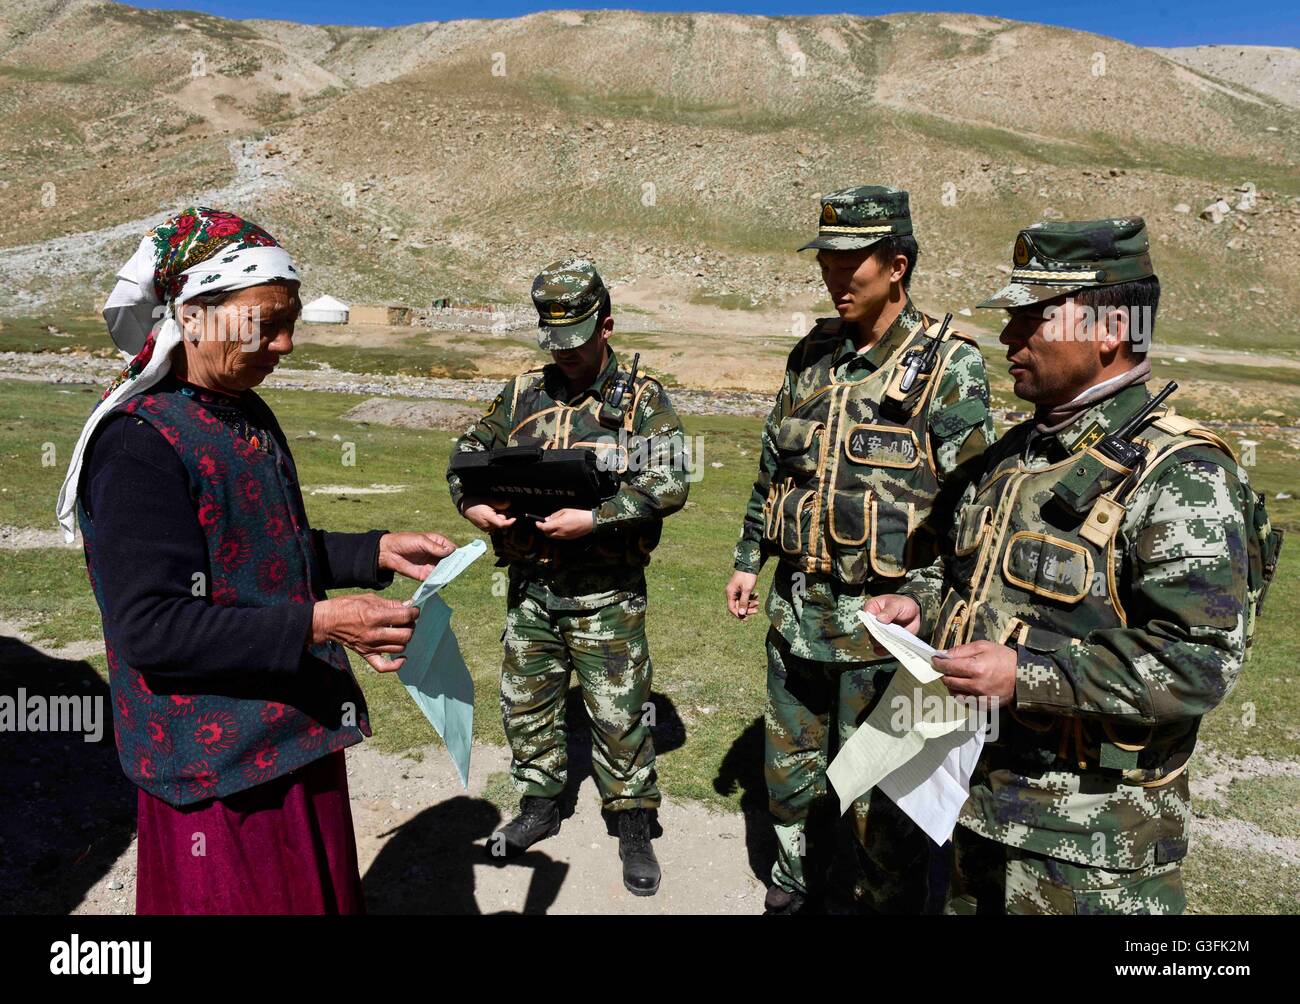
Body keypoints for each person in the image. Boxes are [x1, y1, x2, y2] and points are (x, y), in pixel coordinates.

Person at [868, 217, 1281, 914]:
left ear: (1109, 331)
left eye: (1033, 318)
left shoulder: (1183, 479)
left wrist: (1025, 676)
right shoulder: (1015, 458)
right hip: (976, 812)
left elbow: (1199, 661)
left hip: (1091, 854)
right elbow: (959, 577)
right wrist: (918, 603)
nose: (1008, 338)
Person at [56, 206, 456, 915]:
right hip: (216, 771)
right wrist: (323, 625)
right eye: (265, 322)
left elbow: (255, 550)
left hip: (287, 733)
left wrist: (372, 553)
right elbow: (154, 629)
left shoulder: (240, 410)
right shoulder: (137, 446)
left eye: (290, 320)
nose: (287, 343)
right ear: (194, 316)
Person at [725, 185, 994, 913]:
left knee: (883, 806)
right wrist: (750, 558)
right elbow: (773, 470)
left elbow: (978, 515)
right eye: (827, 261)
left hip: (883, 636)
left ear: (897, 265)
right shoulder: (810, 356)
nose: (835, 277)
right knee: (789, 775)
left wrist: (929, 601)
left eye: (853, 263)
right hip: (796, 617)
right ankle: (793, 882)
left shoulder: (949, 367)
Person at [447, 257, 689, 896]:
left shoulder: (640, 400)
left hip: (605, 593)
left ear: (605, 324)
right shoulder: (524, 391)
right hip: (531, 589)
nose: (568, 356)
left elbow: (669, 481)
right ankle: (539, 803)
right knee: (527, 705)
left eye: (579, 342)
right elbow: (466, 457)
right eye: (556, 343)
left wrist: (598, 518)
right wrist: (472, 504)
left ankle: (633, 823)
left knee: (619, 714)